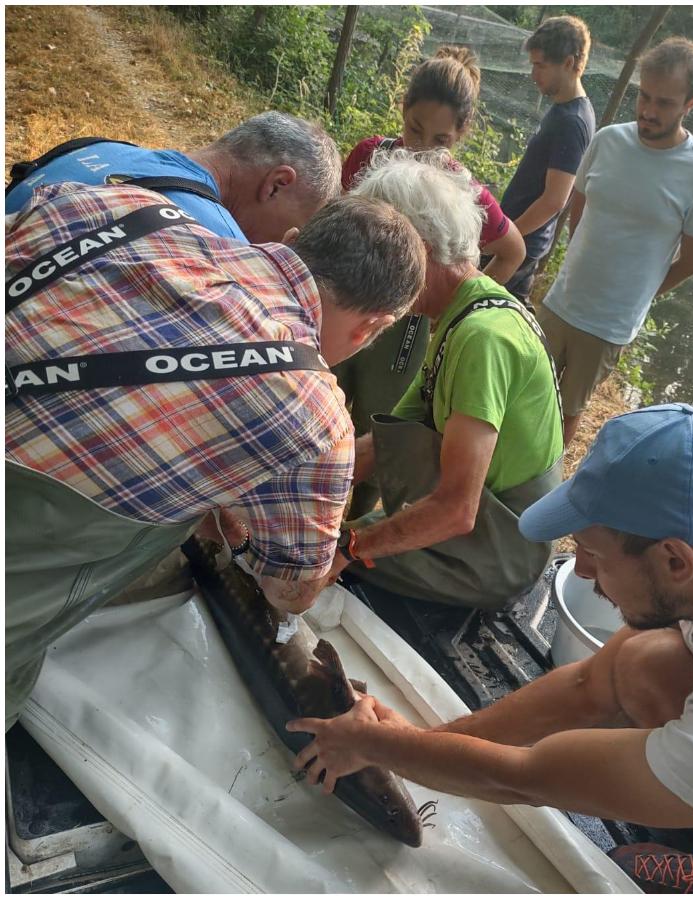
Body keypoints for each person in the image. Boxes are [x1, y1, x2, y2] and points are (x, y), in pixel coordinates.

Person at [288, 404, 693, 894]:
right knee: (647, 660)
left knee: (692, 722)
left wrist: (373, 745)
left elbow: (522, 779)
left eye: (593, 555)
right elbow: (588, 682)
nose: (585, 572)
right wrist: (425, 739)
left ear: (675, 561)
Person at [6, 181, 426, 728]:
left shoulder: (121, 205)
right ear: (374, 326)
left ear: (294, 240)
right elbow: (290, 591)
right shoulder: (314, 413)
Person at [331, 149, 564, 609]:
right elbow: (381, 444)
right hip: (478, 522)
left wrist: (348, 548)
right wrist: (299, 487)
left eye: (381, 257)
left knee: (327, 553)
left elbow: (458, 510)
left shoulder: (483, 338)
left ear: (419, 249)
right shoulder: (466, 309)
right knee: (314, 541)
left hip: (501, 552)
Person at [335, 46, 528, 518]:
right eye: (414, 130)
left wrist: (456, 308)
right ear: (403, 110)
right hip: (348, 302)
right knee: (325, 401)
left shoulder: (461, 192)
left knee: (376, 427)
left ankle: (352, 530)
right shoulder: (370, 156)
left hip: (403, 330)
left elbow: (513, 251)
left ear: (462, 134)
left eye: (438, 140)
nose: (421, 151)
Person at [537, 36, 693, 446]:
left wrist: (635, 294)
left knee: (565, 416)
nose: (648, 111)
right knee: (525, 395)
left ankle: (537, 500)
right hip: (560, 302)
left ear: (691, 103)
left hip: (608, 326)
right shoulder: (607, 140)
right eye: (644, 97)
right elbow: (578, 207)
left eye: (664, 103)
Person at [5, 111, 341, 244]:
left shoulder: (101, 147)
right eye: (291, 229)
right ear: (276, 184)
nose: (276, 243)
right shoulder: (220, 243)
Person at [500, 15, 596, 302]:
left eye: (540, 65)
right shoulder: (562, 110)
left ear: (568, 63)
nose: (533, 74)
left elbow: (555, 200)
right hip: (517, 240)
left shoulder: (572, 121)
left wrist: (507, 235)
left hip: (520, 246)